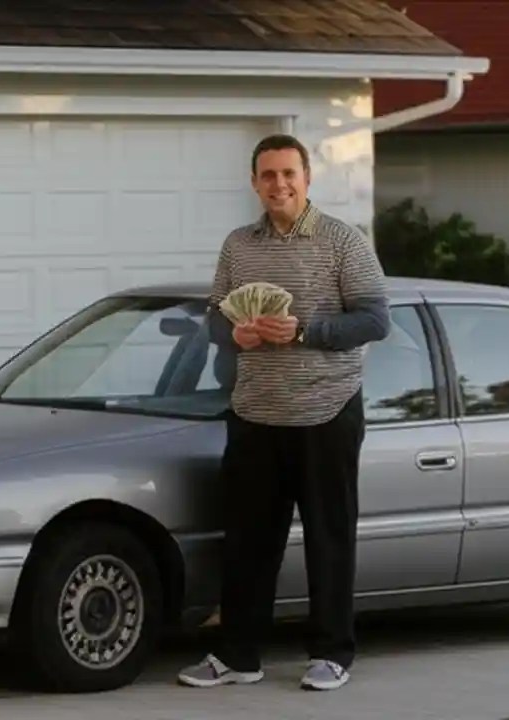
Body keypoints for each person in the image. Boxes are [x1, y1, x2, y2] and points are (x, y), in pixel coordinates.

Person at [177, 133, 389, 691]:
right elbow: (215, 318)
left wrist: (304, 330)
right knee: (247, 542)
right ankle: (238, 657)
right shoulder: (238, 246)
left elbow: (374, 320)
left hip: (327, 411)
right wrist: (235, 333)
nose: (279, 184)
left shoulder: (343, 242)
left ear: (307, 177)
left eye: (288, 173)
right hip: (254, 414)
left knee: (329, 538)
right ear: (254, 183)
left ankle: (332, 654)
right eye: (268, 175)